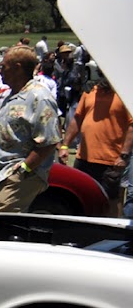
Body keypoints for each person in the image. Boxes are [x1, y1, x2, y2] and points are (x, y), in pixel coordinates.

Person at [0, 46, 62, 213]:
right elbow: (2, 135)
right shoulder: (12, 96)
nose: (0, 71)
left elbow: (49, 141)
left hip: (25, 174)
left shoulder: (39, 97)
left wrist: (24, 169)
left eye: (4, 66)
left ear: (17, 68)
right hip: (6, 173)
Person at [61, 74, 130, 215]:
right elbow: (78, 118)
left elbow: (131, 126)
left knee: (110, 200)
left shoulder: (125, 93)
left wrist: (123, 155)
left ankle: (112, 230)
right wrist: (65, 145)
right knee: (80, 195)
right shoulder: (90, 91)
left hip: (111, 160)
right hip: (83, 158)